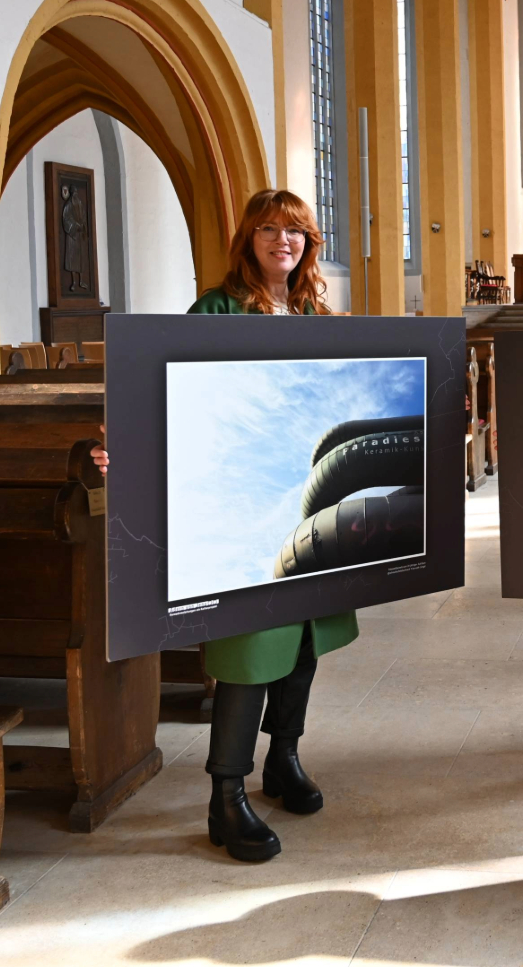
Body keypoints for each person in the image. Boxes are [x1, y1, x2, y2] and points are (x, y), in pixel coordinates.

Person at [90, 189, 357, 863]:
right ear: (248, 240)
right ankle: (226, 795)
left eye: (294, 231)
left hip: (309, 496)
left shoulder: (314, 312)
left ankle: (283, 759)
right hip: (244, 503)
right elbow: (167, 386)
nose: (282, 242)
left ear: (308, 245)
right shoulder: (214, 308)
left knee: (303, 640)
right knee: (248, 652)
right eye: (268, 229)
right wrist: (128, 441)